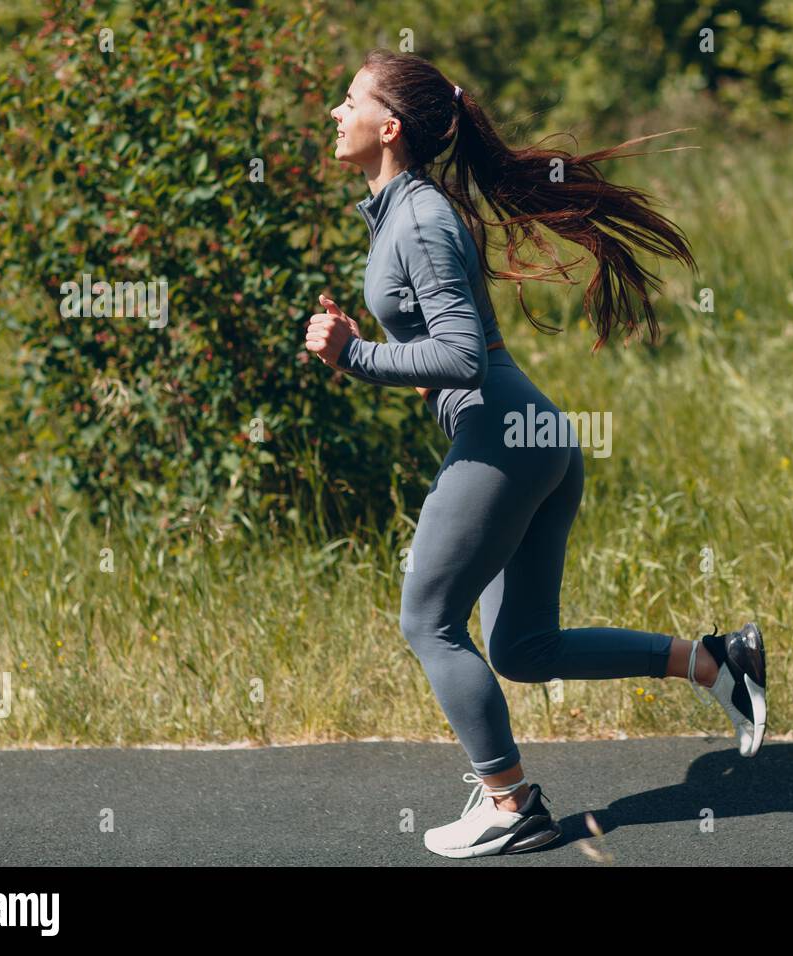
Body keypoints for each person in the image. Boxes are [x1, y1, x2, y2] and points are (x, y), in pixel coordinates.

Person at [304, 48, 766, 859]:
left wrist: (355, 357)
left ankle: (511, 802)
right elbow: (460, 346)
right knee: (523, 648)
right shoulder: (406, 211)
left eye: (349, 102)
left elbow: (461, 358)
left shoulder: (418, 218)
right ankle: (714, 661)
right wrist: (391, 360)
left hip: (505, 440)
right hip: (532, 435)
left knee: (428, 621)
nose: (334, 115)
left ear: (389, 127)